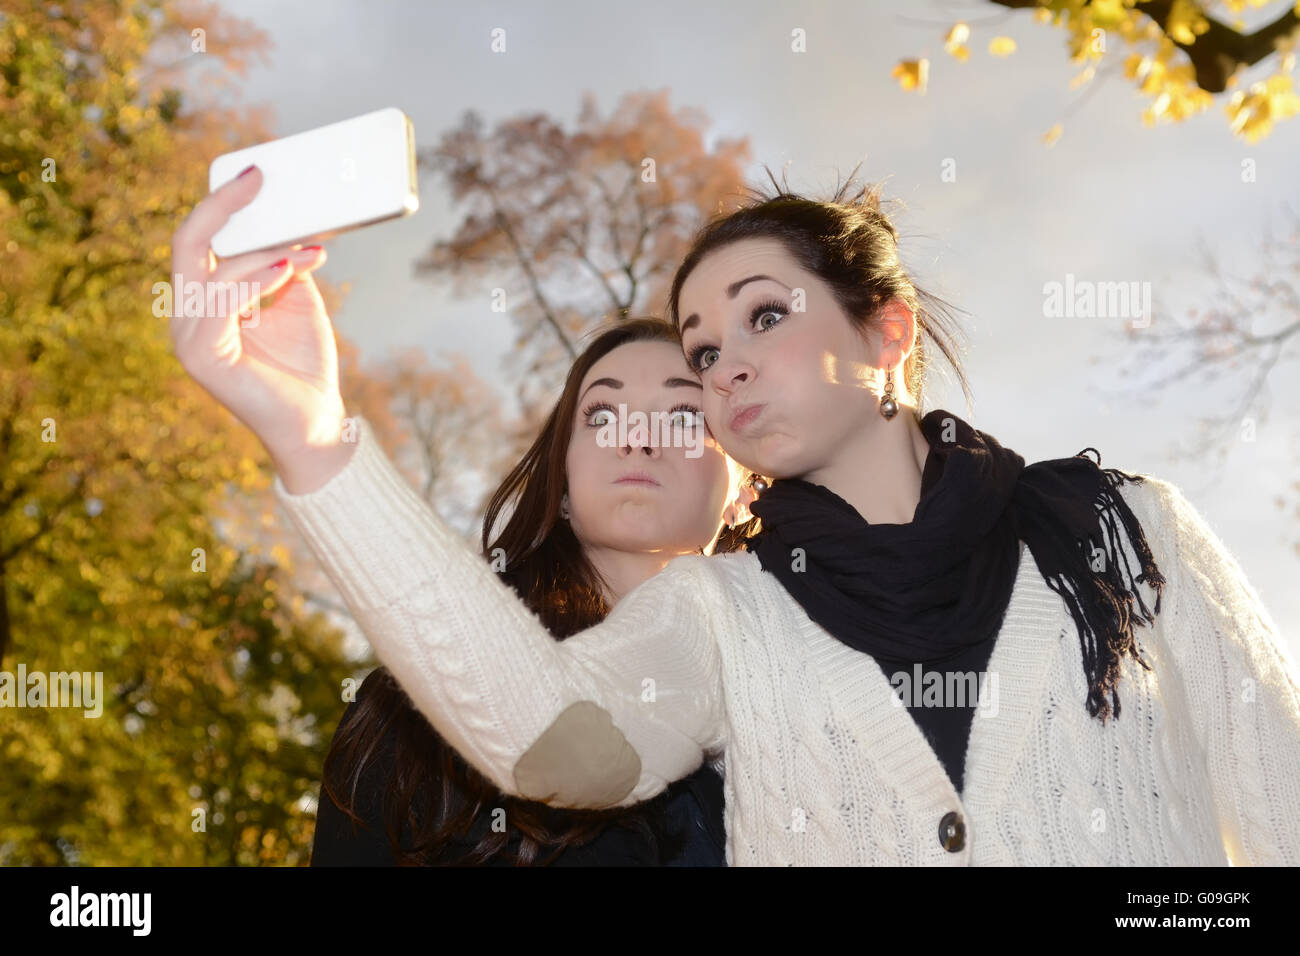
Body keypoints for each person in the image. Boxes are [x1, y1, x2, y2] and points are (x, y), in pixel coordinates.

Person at [171, 164, 1300, 865]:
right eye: (706, 348)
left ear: (884, 330)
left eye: (765, 314)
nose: (724, 368)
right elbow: (551, 740)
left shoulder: (1123, 531)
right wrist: (315, 434)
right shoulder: (720, 615)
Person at [310, 317, 747, 865]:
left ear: (743, 493)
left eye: (684, 417)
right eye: (603, 416)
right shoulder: (411, 707)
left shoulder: (783, 700)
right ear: (562, 487)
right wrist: (310, 440)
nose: (636, 438)